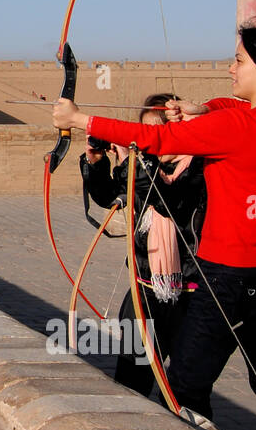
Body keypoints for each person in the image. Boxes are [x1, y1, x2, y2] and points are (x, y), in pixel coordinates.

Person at [55, 22, 256, 430]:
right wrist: (200, 108)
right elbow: (228, 110)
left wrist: (81, 120)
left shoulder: (240, 126)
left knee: (181, 390)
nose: (230, 67)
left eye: (240, 61)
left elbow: (153, 140)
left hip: (229, 281)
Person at [80, 93, 206, 398]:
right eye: (144, 132)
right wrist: (97, 162)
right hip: (144, 291)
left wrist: (136, 162)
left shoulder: (197, 167)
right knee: (132, 379)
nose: (149, 140)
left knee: (185, 388)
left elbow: (166, 201)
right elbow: (110, 196)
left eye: (156, 133)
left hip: (189, 294)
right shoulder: (143, 168)